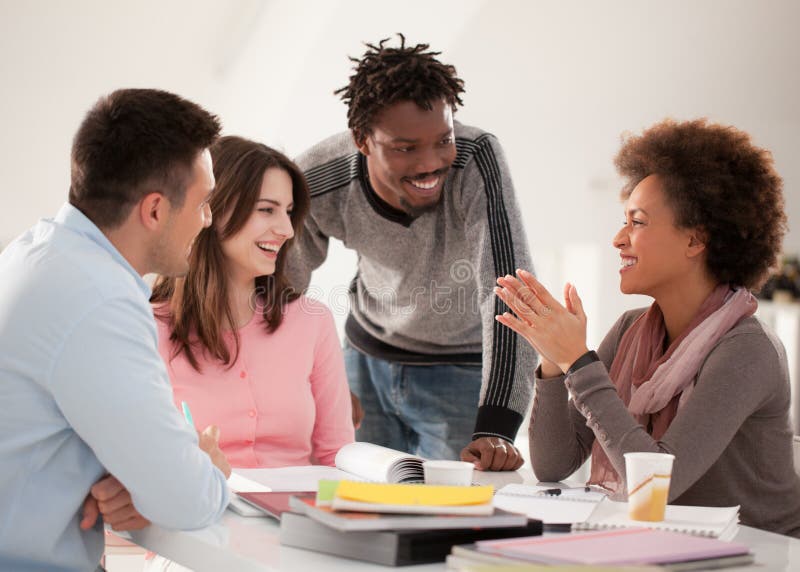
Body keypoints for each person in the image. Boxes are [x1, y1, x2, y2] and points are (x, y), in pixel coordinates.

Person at [494, 118, 800, 536]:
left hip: (760, 553)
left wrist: (578, 363)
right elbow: (553, 465)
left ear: (695, 240)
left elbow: (656, 485)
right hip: (668, 544)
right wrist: (552, 361)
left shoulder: (747, 349)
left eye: (637, 222)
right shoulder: (628, 330)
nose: (618, 239)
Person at [0, 89, 232, 571]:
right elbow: (187, 498)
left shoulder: (34, 252)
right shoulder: (100, 301)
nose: (207, 222)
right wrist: (205, 465)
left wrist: (137, 478)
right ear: (154, 211)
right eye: (203, 203)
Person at [286, 35, 537, 470]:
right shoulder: (317, 177)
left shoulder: (477, 160)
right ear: (363, 140)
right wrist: (312, 380)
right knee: (358, 510)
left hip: (462, 373)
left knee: (450, 521)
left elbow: (509, 290)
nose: (430, 163)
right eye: (406, 148)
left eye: (443, 140)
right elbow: (279, 287)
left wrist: (496, 424)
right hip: (364, 363)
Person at [150, 135, 354, 468]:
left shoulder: (311, 322)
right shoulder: (149, 329)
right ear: (210, 211)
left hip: (297, 514)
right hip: (204, 510)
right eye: (267, 210)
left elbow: (338, 454)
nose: (287, 229)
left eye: (288, 212)